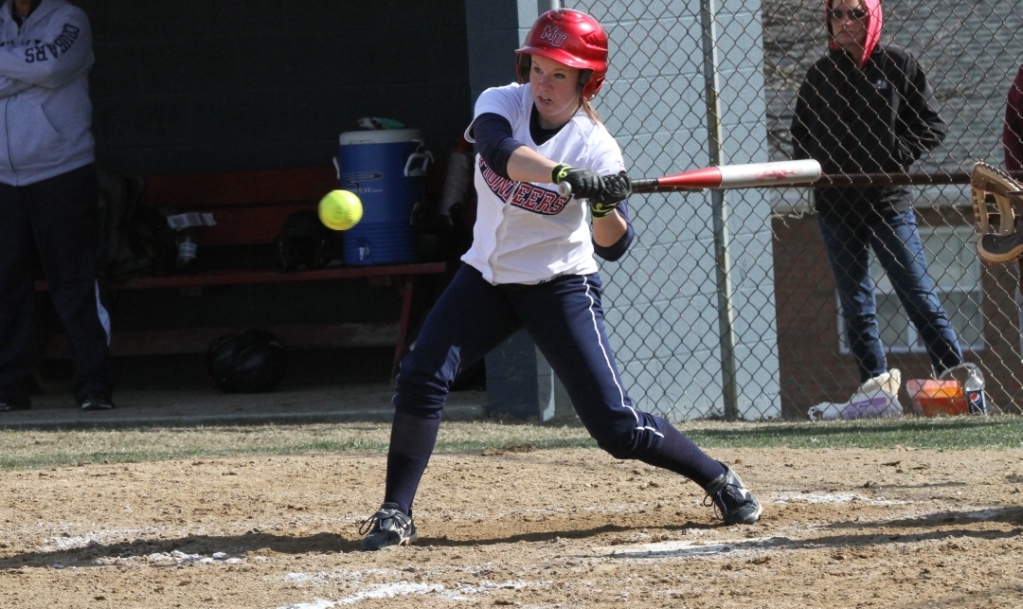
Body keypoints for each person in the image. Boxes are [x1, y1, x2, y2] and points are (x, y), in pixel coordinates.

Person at [357, 9, 761, 551]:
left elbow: (613, 246)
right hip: (488, 278)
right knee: (422, 373)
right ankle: (395, 511)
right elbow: (501, 152)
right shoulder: (502, 102)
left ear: (586, 82)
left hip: (558, 285)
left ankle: (715, 476)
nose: (543, 84)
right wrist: (563, 175)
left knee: (616, 428)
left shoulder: (597, 148)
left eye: (560, 74)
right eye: (539, 68)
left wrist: (603, 204)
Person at [790, 0, 965, 391]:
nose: (845, 21)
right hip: (836, 208)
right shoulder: (819, 75)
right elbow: (800, 135)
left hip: (887, 205)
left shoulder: (898, 64)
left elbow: (932, 124)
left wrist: (897, 155)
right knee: (856, 308)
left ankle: (962, 389)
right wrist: (815, 171)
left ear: (874, 17)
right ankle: (876, 392)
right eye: (837, 13)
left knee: (919, 299)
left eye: (856, 13)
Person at [0, 0, 114, 412]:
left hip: (61, 171)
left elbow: (51, 68)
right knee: (6, 285)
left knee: (74, 282)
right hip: (3, 178)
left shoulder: (69, 19)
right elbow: (40, 74)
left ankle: (93, 385)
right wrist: (25, 73)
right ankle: (9, 388)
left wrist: (12, 71)